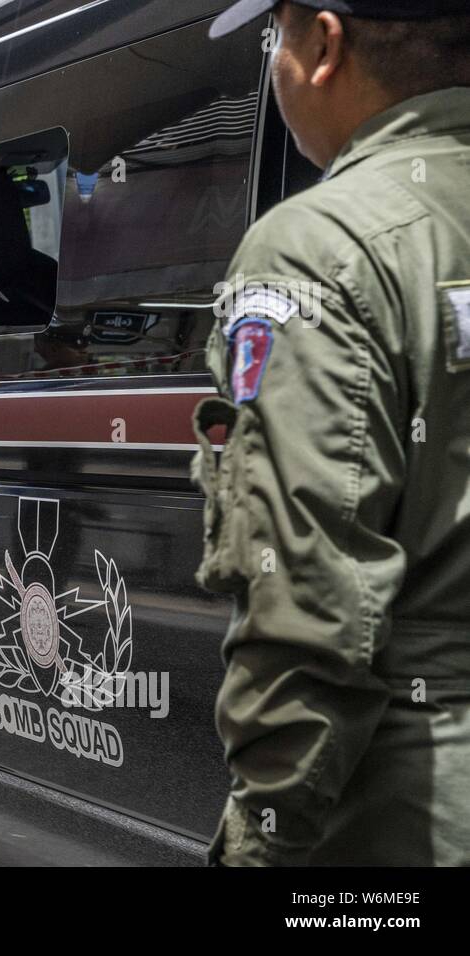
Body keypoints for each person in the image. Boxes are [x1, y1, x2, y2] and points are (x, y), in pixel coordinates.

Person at [195, 0, 470, 865]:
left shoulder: (316, 249)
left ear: (324, 42)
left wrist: (261, 844)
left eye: (273, 36)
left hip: (410, 811)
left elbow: (306, 602)